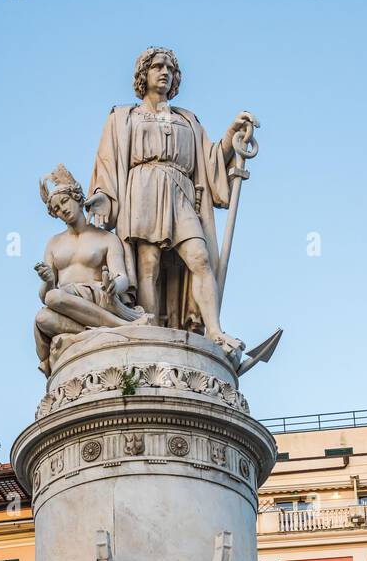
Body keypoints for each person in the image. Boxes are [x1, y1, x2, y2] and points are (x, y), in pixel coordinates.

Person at [87, 46, 254, 356]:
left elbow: (211, 160)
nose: (165, 72)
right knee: (148, 263)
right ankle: (151, 329)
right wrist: (102, 197)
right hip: (142, 187)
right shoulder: (124, 117)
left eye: (171, 69)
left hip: (181, 191)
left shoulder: (188, 120)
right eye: (157, 66)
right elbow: (108, 163)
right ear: (143, 74)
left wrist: (232, 133)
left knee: (200, 259)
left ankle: (214, 330)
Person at [33, 164, 151, 375]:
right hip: (68, 303)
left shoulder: (106, 238)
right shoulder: (54, 243)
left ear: (77, 197)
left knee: (53, 299)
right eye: (57, 209)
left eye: (64, 201)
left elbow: (121, 276)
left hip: (99, 297)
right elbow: (44, 294)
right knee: (42, 318)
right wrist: (48, 280)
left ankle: (113, 324)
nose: (63, 210)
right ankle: (115, 329)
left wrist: (114, 285)